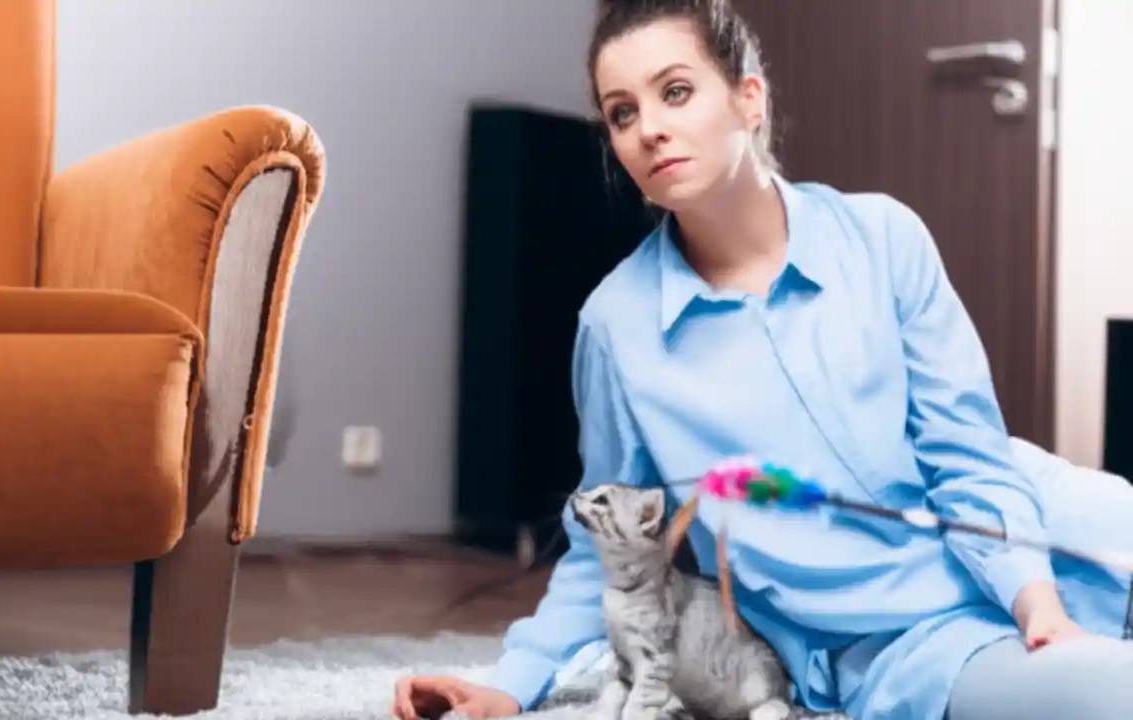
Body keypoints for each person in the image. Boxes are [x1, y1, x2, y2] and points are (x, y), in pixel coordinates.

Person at [392, 1, 1133, 718]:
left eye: (675, 92)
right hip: (908, 640)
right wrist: (510, 685)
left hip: (1053, 532)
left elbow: (968, 456)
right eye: (622, 113)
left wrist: (1037, 600)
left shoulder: (884, 237)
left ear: (750, 98)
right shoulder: (617, 327)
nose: (649, 128)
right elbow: (609, 544)